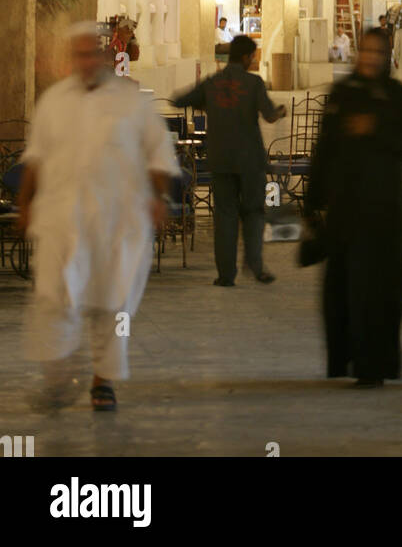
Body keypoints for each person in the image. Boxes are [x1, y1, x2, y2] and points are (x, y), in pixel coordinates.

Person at [17, 23, 179, 412]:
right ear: (71, 59)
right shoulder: (53, 101)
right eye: (80, 54)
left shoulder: (132, 102)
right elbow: (36, 158)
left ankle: (102, 382)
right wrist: (24, 204)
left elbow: (158, 153)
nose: (87, 61)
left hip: (118, 221)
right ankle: (59, 374)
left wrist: (159, 198)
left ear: (105, 56)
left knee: (112, 303)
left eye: (93, 54)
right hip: (62, 216)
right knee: (55, 296)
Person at [304, 28, 402, 388]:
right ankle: (350, 359)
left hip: (384, 214)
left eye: (377, 52)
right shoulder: (342, 94)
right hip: (344, 212)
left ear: (387, 57)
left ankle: (376, 364)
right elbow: (323, 149)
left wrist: (376, 129)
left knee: (380, 291)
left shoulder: (396, 96)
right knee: (344, 291)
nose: (370, 58)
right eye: (365, 50)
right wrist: (312, 203)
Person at [173, 34, 286, 287]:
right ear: (246, 57)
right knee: (254, 212)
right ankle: (255, 266)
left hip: (221, 160)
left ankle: (225, 275)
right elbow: (269, 116)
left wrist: (207, 103)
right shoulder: (254, 83)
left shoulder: (212, 83)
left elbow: (180, 100)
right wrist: (281, 110)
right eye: (252, 57)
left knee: (225, 216)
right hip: (250, 161)